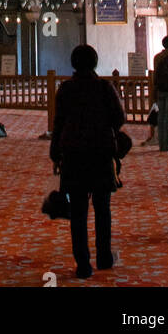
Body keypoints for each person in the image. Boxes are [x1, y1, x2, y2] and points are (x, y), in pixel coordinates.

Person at [50, 44, 125, 280]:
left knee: (79, 212)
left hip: (73, 155)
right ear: (94, 62)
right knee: (103, 209)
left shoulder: (66, 89)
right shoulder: (104, 87)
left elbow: (58, 123)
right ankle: (103, 256)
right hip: (100, 154)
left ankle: (83, 263)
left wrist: (55, 153)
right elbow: (119, 118)